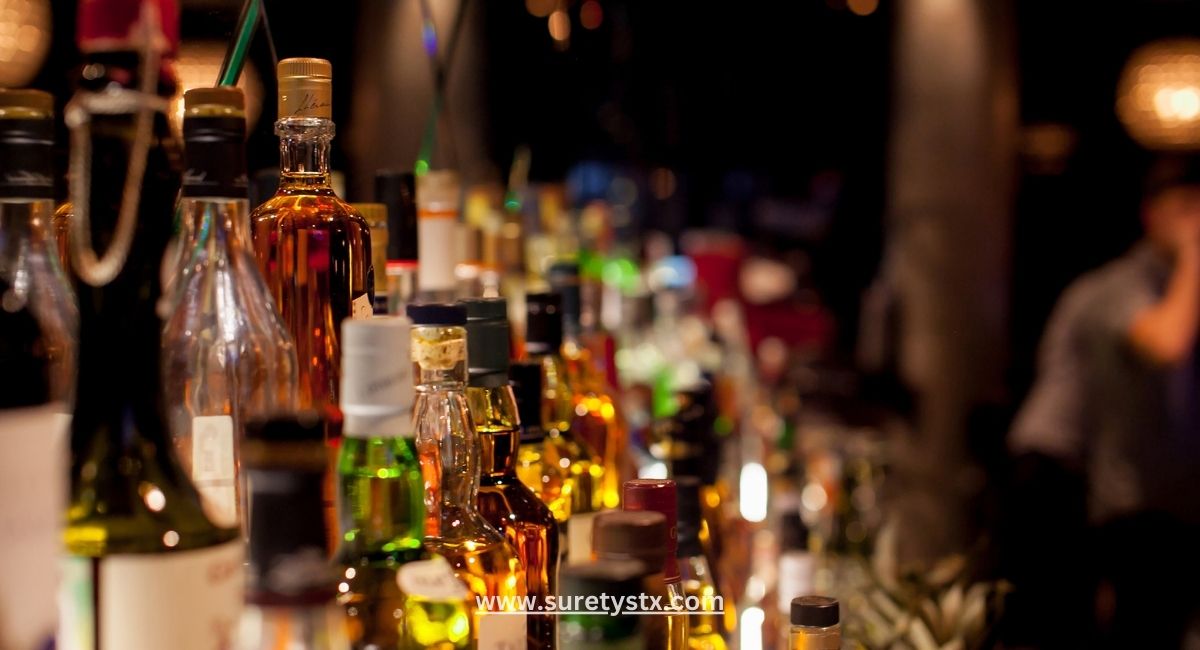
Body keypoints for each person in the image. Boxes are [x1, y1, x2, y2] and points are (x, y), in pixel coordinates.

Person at [1010, 156, 1200, 648]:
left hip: (1121, 481)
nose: (1195, 221)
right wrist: (1196, 254)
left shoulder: (1171, 287)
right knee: (1057, 626)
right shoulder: (1120, 286)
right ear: (1150, 214)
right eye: (1184, 209)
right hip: (1054, 470)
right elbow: (1166, 343)